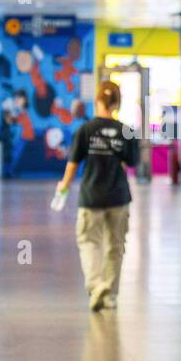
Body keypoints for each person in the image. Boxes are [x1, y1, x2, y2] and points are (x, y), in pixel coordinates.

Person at [56, 81, 139, 311]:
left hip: (91, 195)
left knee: (89, 241)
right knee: (115, 246)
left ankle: (96, 286)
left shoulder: (85, 129)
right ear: (117, 103)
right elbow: (132, 163)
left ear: (98, 101)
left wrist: (63, 186)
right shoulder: (126, 131)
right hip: (119, 196)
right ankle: (110, 295)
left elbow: (73, 163)